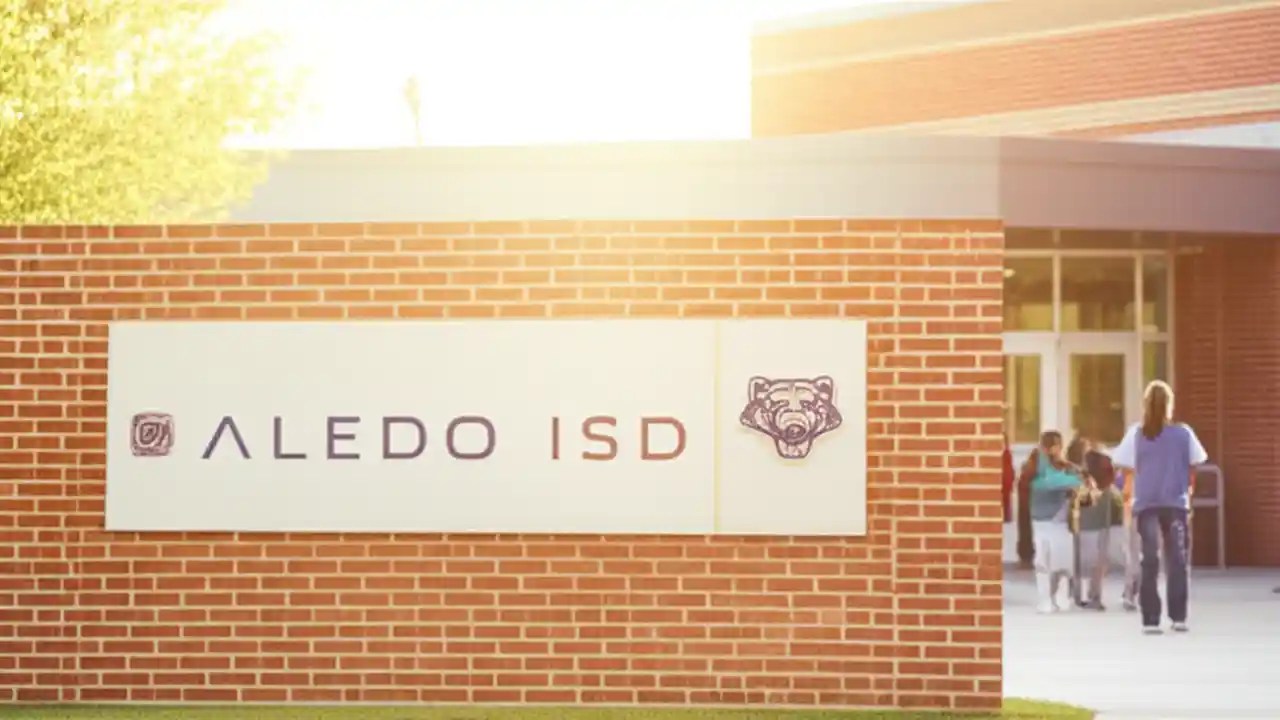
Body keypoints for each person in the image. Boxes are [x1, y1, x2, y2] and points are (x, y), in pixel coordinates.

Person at [1112, 380, 1208, 635]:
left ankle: (1150, 619)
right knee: (1177, 560)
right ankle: (1178, 617)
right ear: (1170, 405)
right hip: (1175, 502)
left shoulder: (1137, 433)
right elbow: (1196, 461)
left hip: (1147, 504)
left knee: (1149, 560)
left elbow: (1120, 462)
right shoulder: (1183, 433)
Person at [1020, 431, 1089, 613]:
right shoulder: (1039, 465)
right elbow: (1050, 482)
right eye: (1056, 446)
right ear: (1049, 447)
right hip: (1049, 521)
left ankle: (1055, 598)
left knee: (1054, 561)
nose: (1059, 450)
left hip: (1052, 521)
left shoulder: (1057, 465)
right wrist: (1074, 480)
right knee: (1050, 561)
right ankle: (1050, 599)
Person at [1069, 436, 1124, 610]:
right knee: (1099, 561)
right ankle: (1094, 595)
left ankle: (1077, 595)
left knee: (1078, 561)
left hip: (1081, 524)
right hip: (1099, 523)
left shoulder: (1074, 475)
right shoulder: (1104, 473)